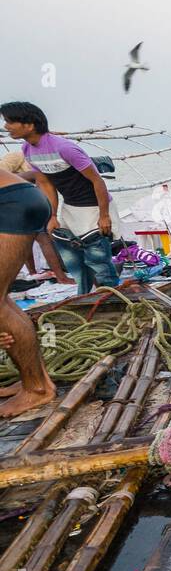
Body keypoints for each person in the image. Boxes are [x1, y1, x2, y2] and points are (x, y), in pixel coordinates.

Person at [1, 102, 120, 295]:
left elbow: (97, 180)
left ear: (30, 125)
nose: (6, 126)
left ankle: (113, 298)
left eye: (10, 121)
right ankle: (85, 296)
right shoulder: (27, 150)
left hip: (94, 207)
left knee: (98, 260)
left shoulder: (64, 148)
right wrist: (53, 216)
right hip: (70, 207)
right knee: (72, 259)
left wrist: (104, 215)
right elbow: (45, 183)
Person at [0, 166, 57, 416]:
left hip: (11, 203)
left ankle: (37, 389)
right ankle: (34, 378)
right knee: (3, 299)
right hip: (20, 197)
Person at [0, 151, 73, 284]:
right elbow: (3, 176)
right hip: (20, 203)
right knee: (43, 239)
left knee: (28, 239)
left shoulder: (44, 159)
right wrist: (33, 175)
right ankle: (59, 276)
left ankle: (34, 273)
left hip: (32, 203)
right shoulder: (17, 156)